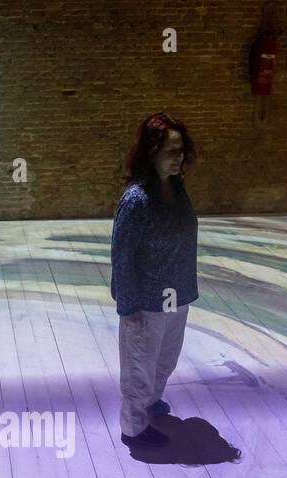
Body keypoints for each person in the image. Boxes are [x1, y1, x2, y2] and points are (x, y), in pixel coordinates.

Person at [110, 111, 199, 449]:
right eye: (170, 152)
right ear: (151, 153)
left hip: (177, 295)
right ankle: (133, 428)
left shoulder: (177, 190)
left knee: (165, 358)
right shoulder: (136, 201)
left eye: (180, 151)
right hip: (146, 300)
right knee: (139, 366)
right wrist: (127, 305)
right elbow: (122, 255)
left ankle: (150, 404)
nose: (178, 159)